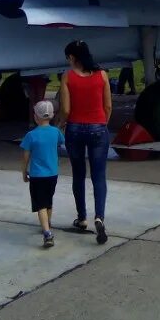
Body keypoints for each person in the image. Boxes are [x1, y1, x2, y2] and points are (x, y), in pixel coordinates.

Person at [58, 40, 111, 245]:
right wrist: (101, 124)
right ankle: (100, 216)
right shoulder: (102, 75)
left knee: (79, 175)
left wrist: (61, 123)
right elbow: (107, 105)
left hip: (75, 129)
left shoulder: (67, 77)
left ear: (72, 58)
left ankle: (82, 217)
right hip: (98, 127)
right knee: (99, 175)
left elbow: (66, 109)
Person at [20, 100, 65, 248]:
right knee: (48, 200)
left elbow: (26, 156)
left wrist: (24, 171)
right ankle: (48, 224)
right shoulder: (55, 132)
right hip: (53, 173)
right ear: (51, 115)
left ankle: (47, 233)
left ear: (36, 117)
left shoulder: (31, 135)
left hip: (37, 175)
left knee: (40, 204)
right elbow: (61, 141)